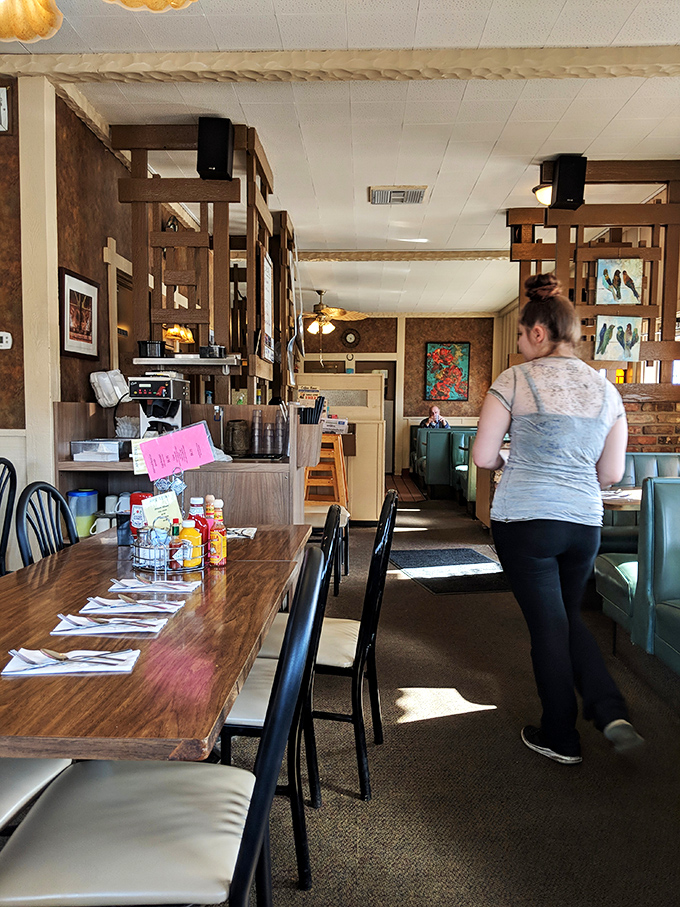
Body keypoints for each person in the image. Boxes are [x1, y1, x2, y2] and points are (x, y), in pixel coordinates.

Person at [473, 273, 643, 765]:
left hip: (527, 519)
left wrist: (514, 459)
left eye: (522, 337)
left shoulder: (515, 380)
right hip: (584, 522)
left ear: (539, 333)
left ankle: (561, 736)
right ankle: (609, 708)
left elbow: (484, 457)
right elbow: (610, 473)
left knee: (548, 627)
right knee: (566, 618)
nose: (521, 346)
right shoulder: (607, 391)